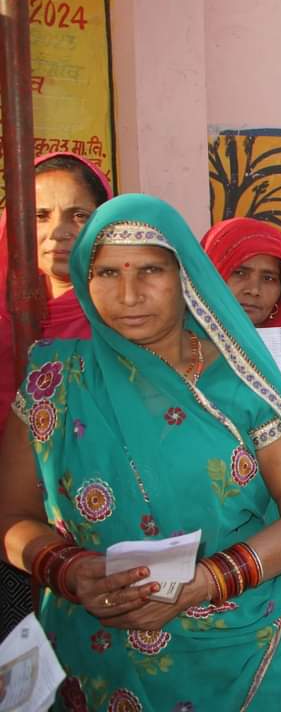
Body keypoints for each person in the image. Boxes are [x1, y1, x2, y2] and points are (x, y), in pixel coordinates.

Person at [0, 193, 281, 709]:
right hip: (95, 648)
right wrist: (67, 570)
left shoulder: (241, 385)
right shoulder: (55, 378)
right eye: (108, 273)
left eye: (150, 271)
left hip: (230, 647)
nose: (129, 294)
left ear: (187, 278)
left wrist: (206, 581)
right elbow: (12, 514)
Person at [0, 152, 113, 639]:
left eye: (79, 215)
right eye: (40, 215)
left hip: (95, 534)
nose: (58, 231)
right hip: (11, 535)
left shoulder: (125, 319)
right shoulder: (7, 316)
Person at [201, 217, 281, 327]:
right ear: (209, 276)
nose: (254, 290)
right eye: (239, 273)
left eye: (268, 278)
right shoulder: (185, 342)